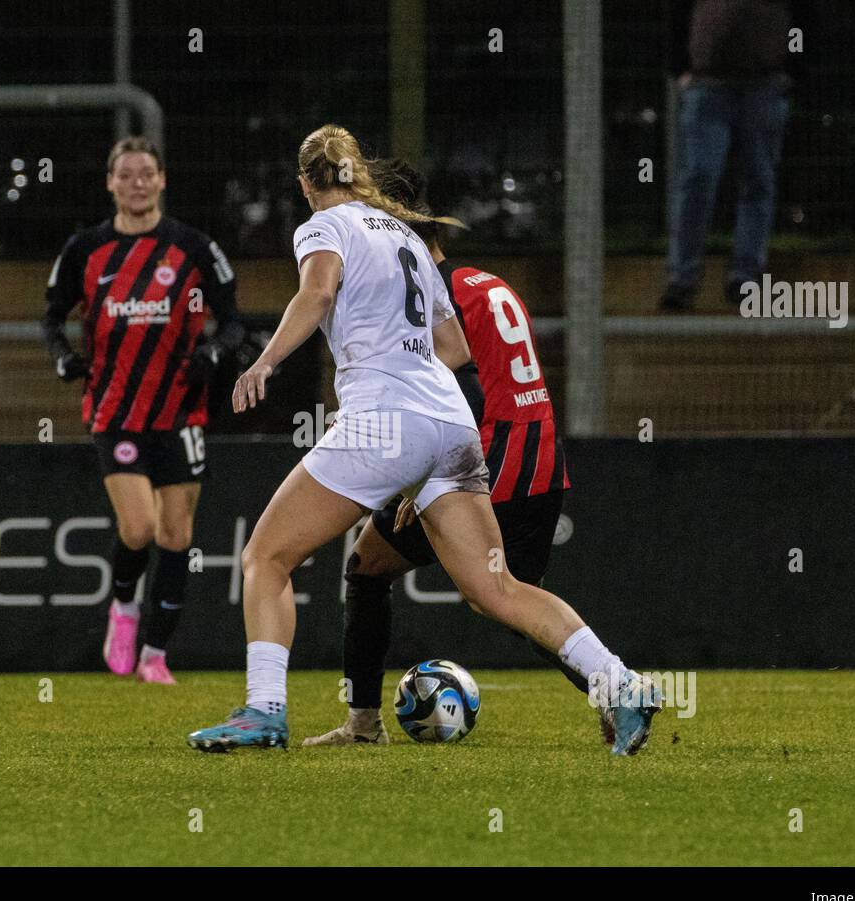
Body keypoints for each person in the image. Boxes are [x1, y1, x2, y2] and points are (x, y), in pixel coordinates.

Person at [187, 125, 660, 756]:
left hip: (386, 423)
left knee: (265, 559)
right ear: (359, 172)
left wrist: (265, 362)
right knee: (498, 589)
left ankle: (264, 713)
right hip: (451, 423)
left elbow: (318, 290)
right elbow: (454, 349)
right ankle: (622, 684)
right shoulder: (405, 233)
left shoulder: (323, 226)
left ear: (305, 184)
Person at [301, 159, 602, 747]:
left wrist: (427, 477)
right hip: (540, 462)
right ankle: (615, 691)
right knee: (506, 598)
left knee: (395, 577)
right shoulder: (486, 282)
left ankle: (363, 725)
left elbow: (452, 389)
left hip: (487, 464)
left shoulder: (426, 297)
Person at [42, 136, 245, 684]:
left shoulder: (194, 247)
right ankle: (124, 607)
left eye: (146, 173)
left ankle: (155, 655)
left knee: (176, 536)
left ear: (162, 180)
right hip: (115, 409)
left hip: (182, 412)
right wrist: (63, 357)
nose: (136, 182)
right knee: (138, 527)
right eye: (125, 174)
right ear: (110, 182)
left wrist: (215, 352)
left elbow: (233, 322)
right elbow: (51, 315)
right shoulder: (86, 249)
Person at [660, 0, 794, 311]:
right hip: (709, 83)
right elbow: (678, 14)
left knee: (757, 180)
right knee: (699, 178)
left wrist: (793, 68)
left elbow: (805, 16)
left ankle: (745, 276)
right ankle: (682, 278)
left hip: (763, 83)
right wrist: (680, 68)